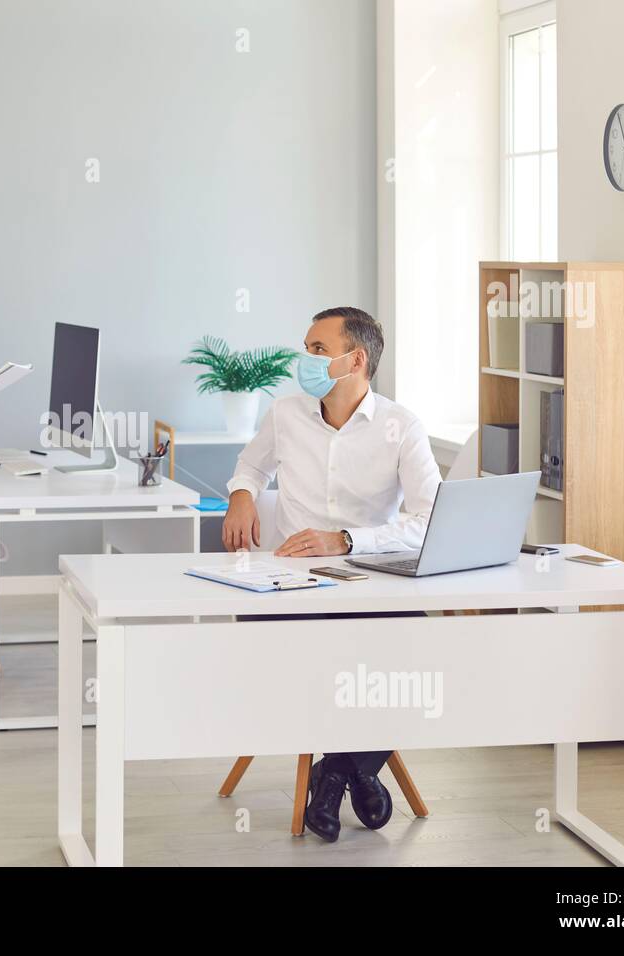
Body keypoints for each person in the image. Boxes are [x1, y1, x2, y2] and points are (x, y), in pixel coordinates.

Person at [221, 306, 440, 842]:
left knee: (425, 652)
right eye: (308, 347)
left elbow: (429, 517)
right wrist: (242, 497)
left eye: (318, 349)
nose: (306, 358)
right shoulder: (286, 414)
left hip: (372, 581)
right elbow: (250, 466)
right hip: (291, 587)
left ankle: (336, 772)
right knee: (343, 658)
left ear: (355, 359)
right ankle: (359, 770)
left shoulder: (401, 426)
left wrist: (346, 541)